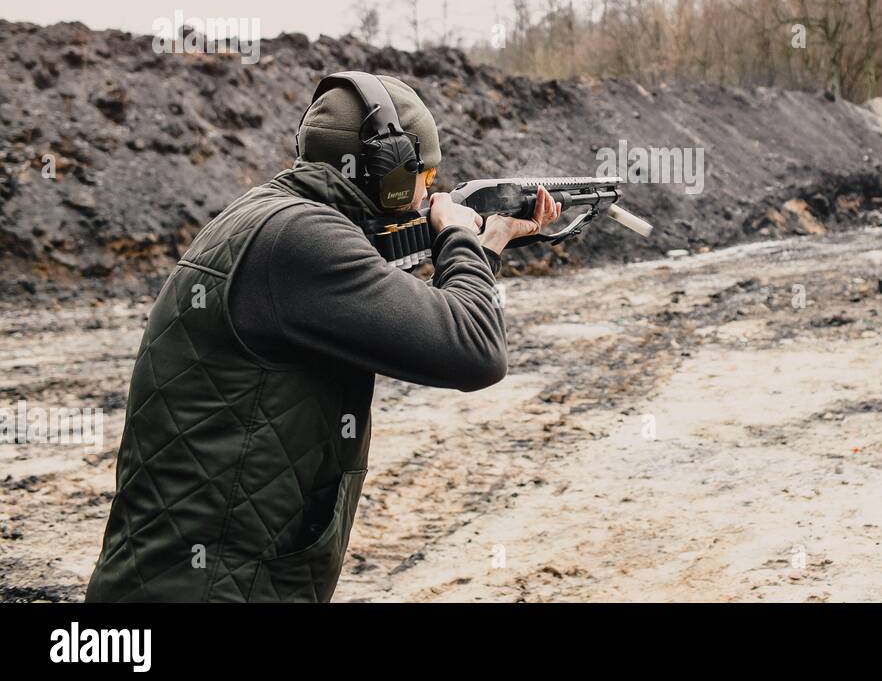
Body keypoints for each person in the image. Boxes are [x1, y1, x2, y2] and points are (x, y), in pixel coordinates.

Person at [85, 71, 558, 602]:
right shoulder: (302, 238)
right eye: (423, 174)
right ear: (388, 170)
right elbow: (475, 351)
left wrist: (485, 245)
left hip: (195, 572)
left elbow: (403, 307)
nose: (428, 193)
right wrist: (456, 235)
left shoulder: (269, 216)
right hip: (211, 585)